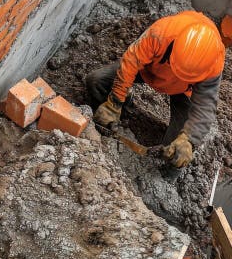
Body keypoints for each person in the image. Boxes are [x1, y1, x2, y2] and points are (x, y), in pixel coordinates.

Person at [87, 11, 226, 171]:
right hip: (149, 69)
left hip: (183, 91)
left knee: (176, 152)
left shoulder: (213, 63)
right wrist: (115, 101)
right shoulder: (162, 32)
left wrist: (189, 139)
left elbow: (205, 106)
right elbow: (131, 62)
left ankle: (164, 178)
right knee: (97, 81)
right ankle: (114, 113)